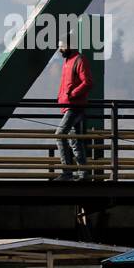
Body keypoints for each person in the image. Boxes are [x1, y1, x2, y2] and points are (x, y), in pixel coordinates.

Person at [55, 41, 93, 181]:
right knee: (74, 140)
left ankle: (67, 172)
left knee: (60, 135)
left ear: (70, 46)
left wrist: (72, 94)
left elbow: (88, 82)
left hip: (74, 106)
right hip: (69, 105)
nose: (60, 50)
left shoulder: (78, 60)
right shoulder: (69, 61)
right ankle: (83, 174)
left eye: (62, 47)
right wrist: (61, 97)